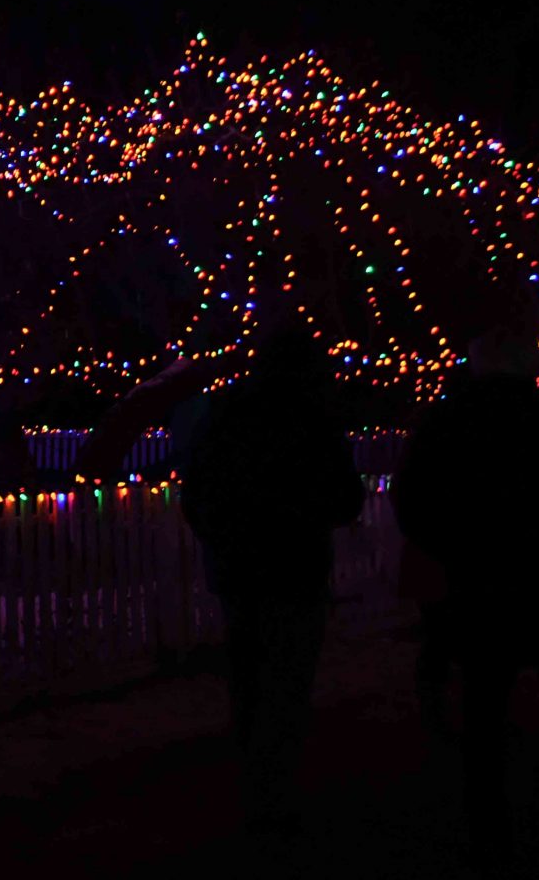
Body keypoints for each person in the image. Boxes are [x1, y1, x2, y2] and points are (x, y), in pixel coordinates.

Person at [394, 324, 539, 858]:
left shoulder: (446, 424)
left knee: (484, 708)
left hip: (479, 585)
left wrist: (451, 550)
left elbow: (413, 499)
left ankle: (488, 827)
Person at [182, 326, 366, 831]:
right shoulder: (312, 420)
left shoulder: (226, 416)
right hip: (294, 569)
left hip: (239, 569)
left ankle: (254, 777)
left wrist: (221, 536)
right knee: (287, 678)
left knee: (249, 675)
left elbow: (197, 491)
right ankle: (276, 786)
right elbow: (345, 498)